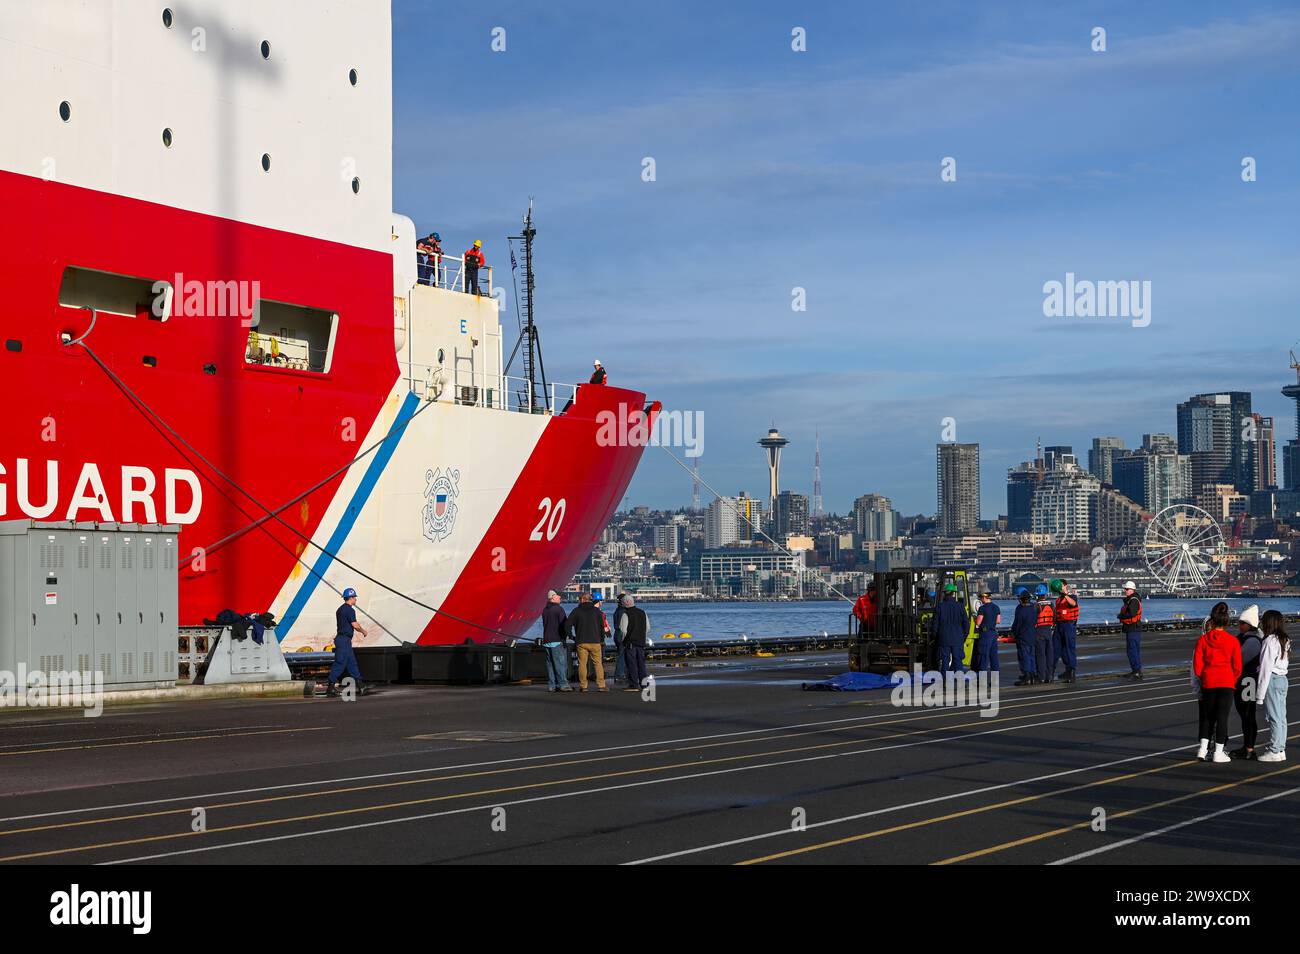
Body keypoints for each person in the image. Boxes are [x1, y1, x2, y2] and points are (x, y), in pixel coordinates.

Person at [1193, 602, 1242, 763]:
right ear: (1227, 621)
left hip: (1209, 681)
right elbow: (1237, 666)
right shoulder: (1233, 641)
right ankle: (1218, 752)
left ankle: (1202, 749)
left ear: (1212, 621)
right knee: (1222, 718)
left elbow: (1197, 665)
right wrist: (1231, 678)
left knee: (1208, 717)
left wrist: (1204, 677)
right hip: (1226, 681)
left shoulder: (1203, 640)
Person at [1255, 609, 1290, 762]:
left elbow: (1265, 668)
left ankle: (1275, 750)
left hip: (1273, 680)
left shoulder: (1270, 641)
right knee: (1281, 717)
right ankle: (1280, 748)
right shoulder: (1284, 639)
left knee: (1274, 717)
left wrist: (1259, 696)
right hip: (1283, 679)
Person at [1230, 605, 1262, 759]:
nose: (1239, 625)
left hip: (1248, 682)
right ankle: (1247, 745)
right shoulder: (1242, 638)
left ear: (1250, 624)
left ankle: (1249, 748)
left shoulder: (1252, 640)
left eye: (1242, 622)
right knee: (1244, 715)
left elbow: (1239, 659)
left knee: (1248, 714)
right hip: (1242, 681)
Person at [327, 587, 367, 697]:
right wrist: (363, 631)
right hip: (344, 640)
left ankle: (361, 685)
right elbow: (354, 624)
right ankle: (330, 687)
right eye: (355, 597)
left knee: (351, 663)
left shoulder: (339, 609)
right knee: (340, 663)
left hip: (343, 639)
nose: (356, 600)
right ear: (351, 597)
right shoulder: (350, 610)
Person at [566, 593, 608, 692]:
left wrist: (572, 637)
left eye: (579, 599)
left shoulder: (576, 611)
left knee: (582, 664)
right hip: (595, 641)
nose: (578, 601)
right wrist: (601, 640)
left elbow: (567, 625)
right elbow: (601, 627)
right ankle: (601, 685)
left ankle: (583, 686)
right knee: (598, 663)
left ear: (583, 600)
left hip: (581, 641)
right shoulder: (596, 611)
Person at [930, 583, 968, 673]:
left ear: (945, 594)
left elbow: (935, 624)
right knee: (958, 661)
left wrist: (934, 636)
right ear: (954, 594)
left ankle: (945, 681)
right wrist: (964, 636)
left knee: (945, 661)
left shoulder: (939, 606)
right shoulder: (960, 606)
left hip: (944, 638)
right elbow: (966, 624)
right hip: (958, 638)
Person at [540, 590, 572, 693]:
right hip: (557, 640)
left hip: (547, 639)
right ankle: (563, 684)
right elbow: (564, 625)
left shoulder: (545, 610)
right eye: (559, 597)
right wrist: (568, 635)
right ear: (553, 597)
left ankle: (551, 685)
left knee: (550, 664)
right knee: (560, 663)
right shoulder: (558, 609)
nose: (560, 598)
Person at [618, 594, 650, 691]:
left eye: (622, 602)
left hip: (630, 643)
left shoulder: (625, 614)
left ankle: (633, 684)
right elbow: (648, 628)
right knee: (641, 663)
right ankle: (644, 684)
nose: (622, 604)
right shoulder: (643, 612)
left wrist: (623, 640)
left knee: (631, 664)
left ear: (626, 603)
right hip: (641, 641)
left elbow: (623, 630)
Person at [1051, 578, 1080, 683]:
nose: (1059, 587)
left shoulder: (1071, 596)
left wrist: (1065, 595)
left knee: (1069, 649)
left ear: (1065, 586)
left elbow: (1073, 604)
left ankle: (1071, 671)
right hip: (1059, 626)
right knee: (1056, 648)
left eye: (1061, 585)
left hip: (1069, 625)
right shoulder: (1058, 599)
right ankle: (1050, 671)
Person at [1011, 588, 1037, 686]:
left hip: (1023, 636)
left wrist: (1014, 633)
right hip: (1032, 634)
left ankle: (1026, 676)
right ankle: (1032, 675)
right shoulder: (1034, 608)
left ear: (1021, 599)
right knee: (1031, 656)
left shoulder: (1021, 610)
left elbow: (1017, 625)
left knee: (1024, 656)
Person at [1118, 580, 1143, 680]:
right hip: (1132, 628)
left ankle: (1136, 671)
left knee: (1132, 650)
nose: (1125, 591)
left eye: (1127, 589)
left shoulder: (1133, 600)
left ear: (1132, 590)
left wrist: (1121, 616)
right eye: (1125, 589)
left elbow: (1132, 613)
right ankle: (1136, 670)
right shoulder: (1133, 599)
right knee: (1134, 650)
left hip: (1133, 628)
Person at [1033, 584, 1056, 684]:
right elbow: (1055, 617)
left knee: (1040, 655)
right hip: (1049, 631)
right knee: (1049, 654)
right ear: (1045, 594)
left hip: (1039, 631)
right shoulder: (1051, 604)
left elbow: (1033, 619)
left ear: (1037, 595)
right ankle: (1050, 676)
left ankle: (1041, 677)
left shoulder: (1036, 605)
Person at [973, 592, 1001, 673]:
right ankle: (995, 681)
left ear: (984, 598)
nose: (981, 600)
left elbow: (978, 623)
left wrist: (975, 618)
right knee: (994, 658)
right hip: (993, 633)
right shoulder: (996, 607)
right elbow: (998, 621)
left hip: (985, 634)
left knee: (983, 657)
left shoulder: (982, 608)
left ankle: (982, 681)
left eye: (981, 598)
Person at [611, 591, 629, 684]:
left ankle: (621, 674)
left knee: (621, 654)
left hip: (616, 633)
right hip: (621, 633)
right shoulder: (624, 611)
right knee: (622, 655)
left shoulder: (617, 611)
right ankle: (620, 675)